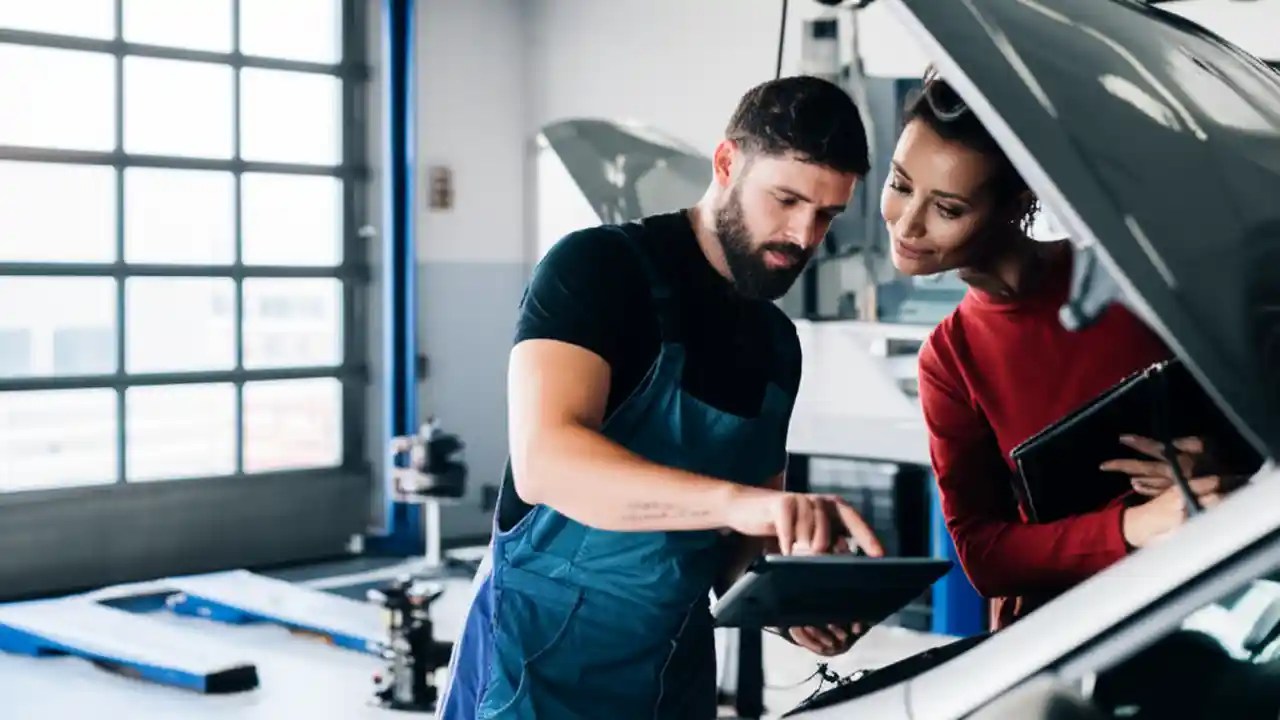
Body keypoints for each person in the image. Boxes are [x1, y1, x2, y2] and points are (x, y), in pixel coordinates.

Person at [438, 75, 884, 720]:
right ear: (727, 162)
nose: (803, 234)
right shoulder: (596, 269)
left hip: (672, 668)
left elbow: (736, 551)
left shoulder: (775, 341)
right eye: (785, 200)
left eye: (826, 214)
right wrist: (745, 502)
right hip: (535, 663)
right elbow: (547, 463)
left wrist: (791, 602)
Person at [883, 67, 1245, 630]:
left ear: (1017, 204)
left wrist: (1222, 470)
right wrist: (1133, 528)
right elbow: (982, 554)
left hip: (1207, 609)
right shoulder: (950, 358)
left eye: (947, 208)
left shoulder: (1133, 278)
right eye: (901, 184)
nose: (907, 224)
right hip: (1059, 638)